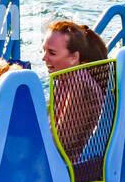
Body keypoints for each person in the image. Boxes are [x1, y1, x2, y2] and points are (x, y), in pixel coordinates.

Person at [41, 20, 107, 161]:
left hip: (73, 168)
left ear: (74, 58)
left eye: (51, 53)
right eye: (44, 50)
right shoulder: (65, 78)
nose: (44, 58)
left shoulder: (79, 84)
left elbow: (60, 143)